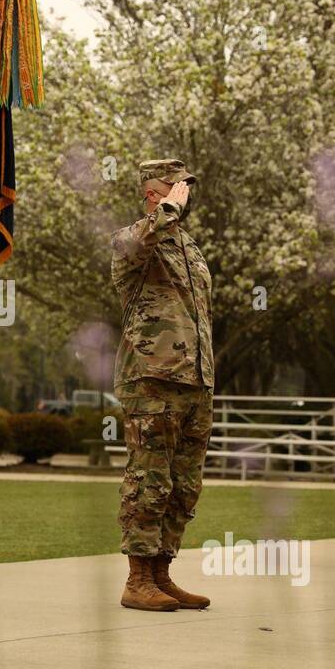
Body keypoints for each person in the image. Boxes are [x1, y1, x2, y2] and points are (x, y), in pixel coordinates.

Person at [110, 159, 213, 612]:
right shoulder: (133, 240)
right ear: (155, 194)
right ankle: (137, 578)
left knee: (183, 485)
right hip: (152, 379)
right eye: (178, 188)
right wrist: (167, 211)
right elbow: (142, 240)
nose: (186, 196)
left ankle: (161, 574)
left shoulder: (188, 248)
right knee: (148, 480)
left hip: (194, 380)